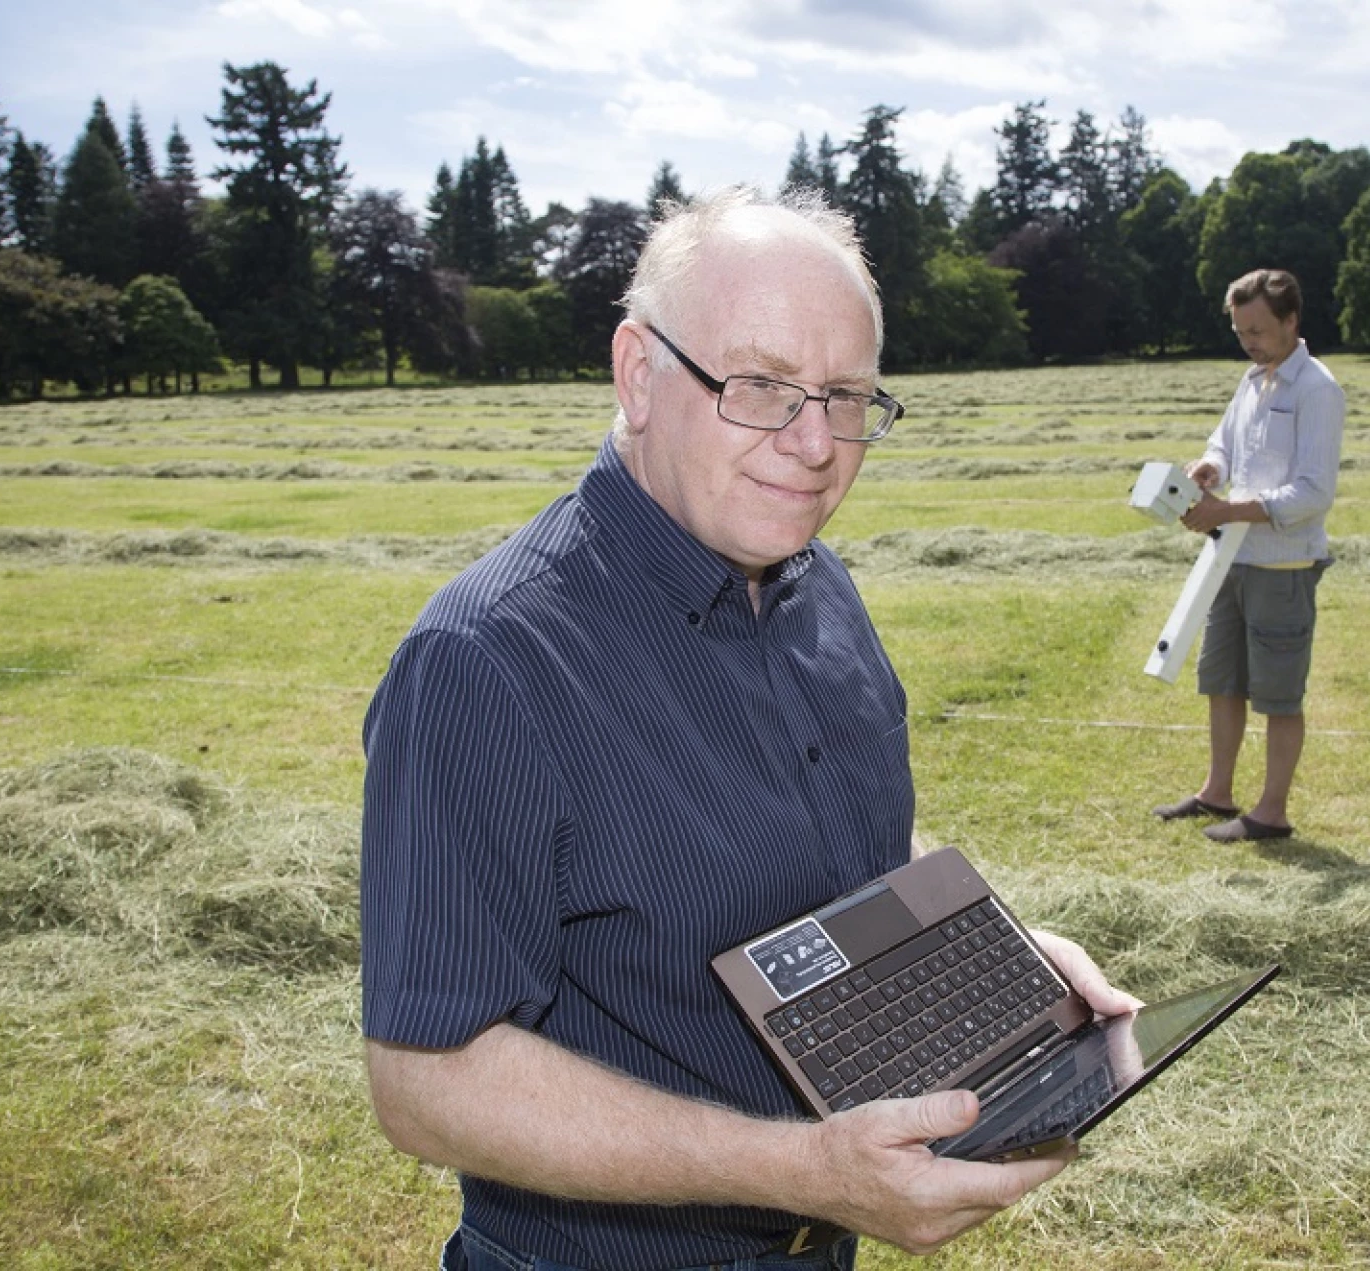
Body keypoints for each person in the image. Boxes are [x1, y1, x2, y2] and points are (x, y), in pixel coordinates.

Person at [360, 185, 1140, 1271]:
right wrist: (801, 1169)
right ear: (639, 373)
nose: (814, 443)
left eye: (846, 395)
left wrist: (999, 957)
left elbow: (844, 851)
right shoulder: (487, 663)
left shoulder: (814, 582)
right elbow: (429, 1081)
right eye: (762, 385)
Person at [1153, 268, 1345, 843]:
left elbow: (1314, 493)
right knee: (1223, 681)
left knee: (1278, 695)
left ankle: (1272, 812)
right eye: (1241, 333)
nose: (1250, 342)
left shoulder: (1317, 390)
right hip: (1233, 558)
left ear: (1292, 321)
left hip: (1283, 567)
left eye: (1258, 331)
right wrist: (1212, 468)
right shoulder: (1253, 380)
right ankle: (1217, 792)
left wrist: (1227, 511)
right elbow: (1225, 444)